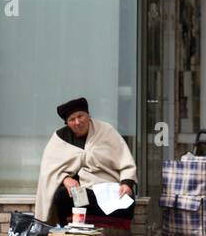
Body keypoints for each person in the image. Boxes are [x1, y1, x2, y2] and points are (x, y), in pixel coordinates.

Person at [33, 97, 137, 228]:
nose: (77, 122)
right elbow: (49, 170)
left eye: (80, 116)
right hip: (82, 192)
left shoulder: (106, 131)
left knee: (128, 200)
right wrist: (65, 179)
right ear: (67, 123)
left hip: (109, 189)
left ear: (88, 115)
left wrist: (126, 184)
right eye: (72, 119)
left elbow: (125, 160)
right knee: (62, 196)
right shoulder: (60, 138)